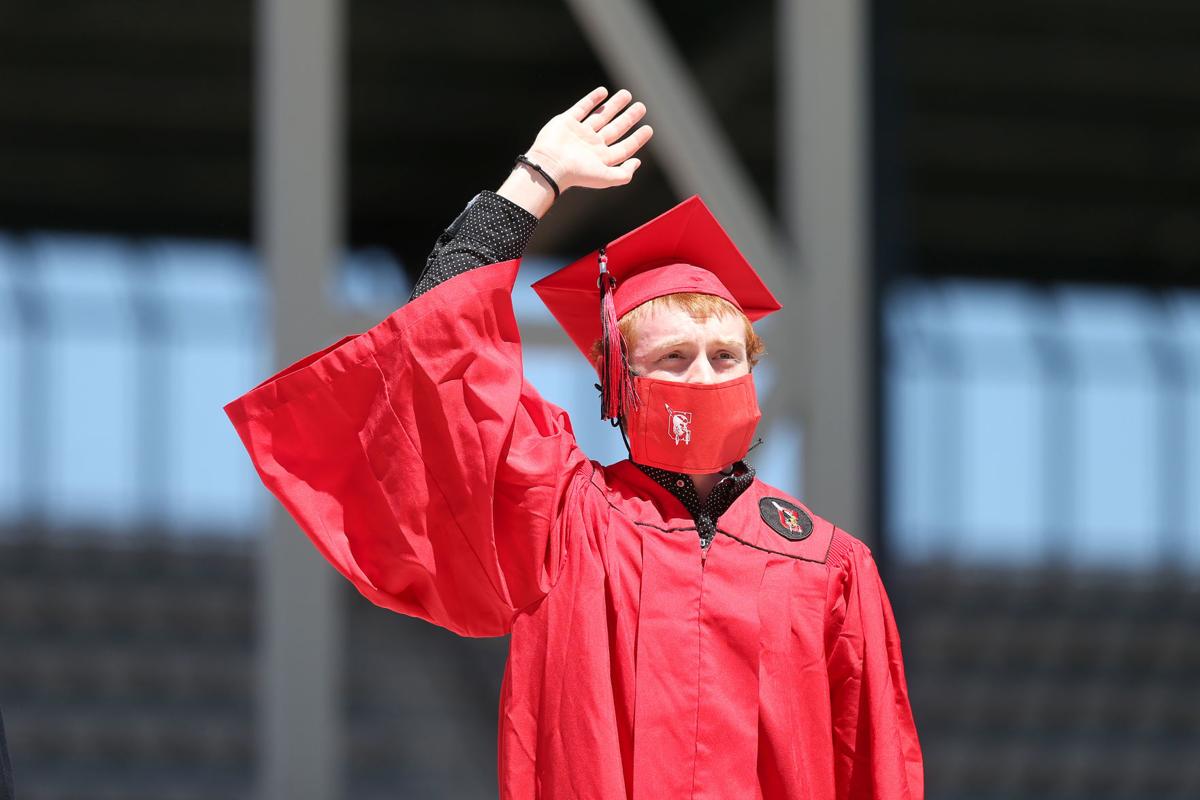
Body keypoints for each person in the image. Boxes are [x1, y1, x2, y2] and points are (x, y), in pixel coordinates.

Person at [225, 87, 923, 799]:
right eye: (674, 358)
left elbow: (879, 774)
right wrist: (534, 180)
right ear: (619, 385)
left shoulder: (829, 567)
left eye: (725, 355)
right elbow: (442, 357)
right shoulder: (560, 515)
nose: (705, 375)